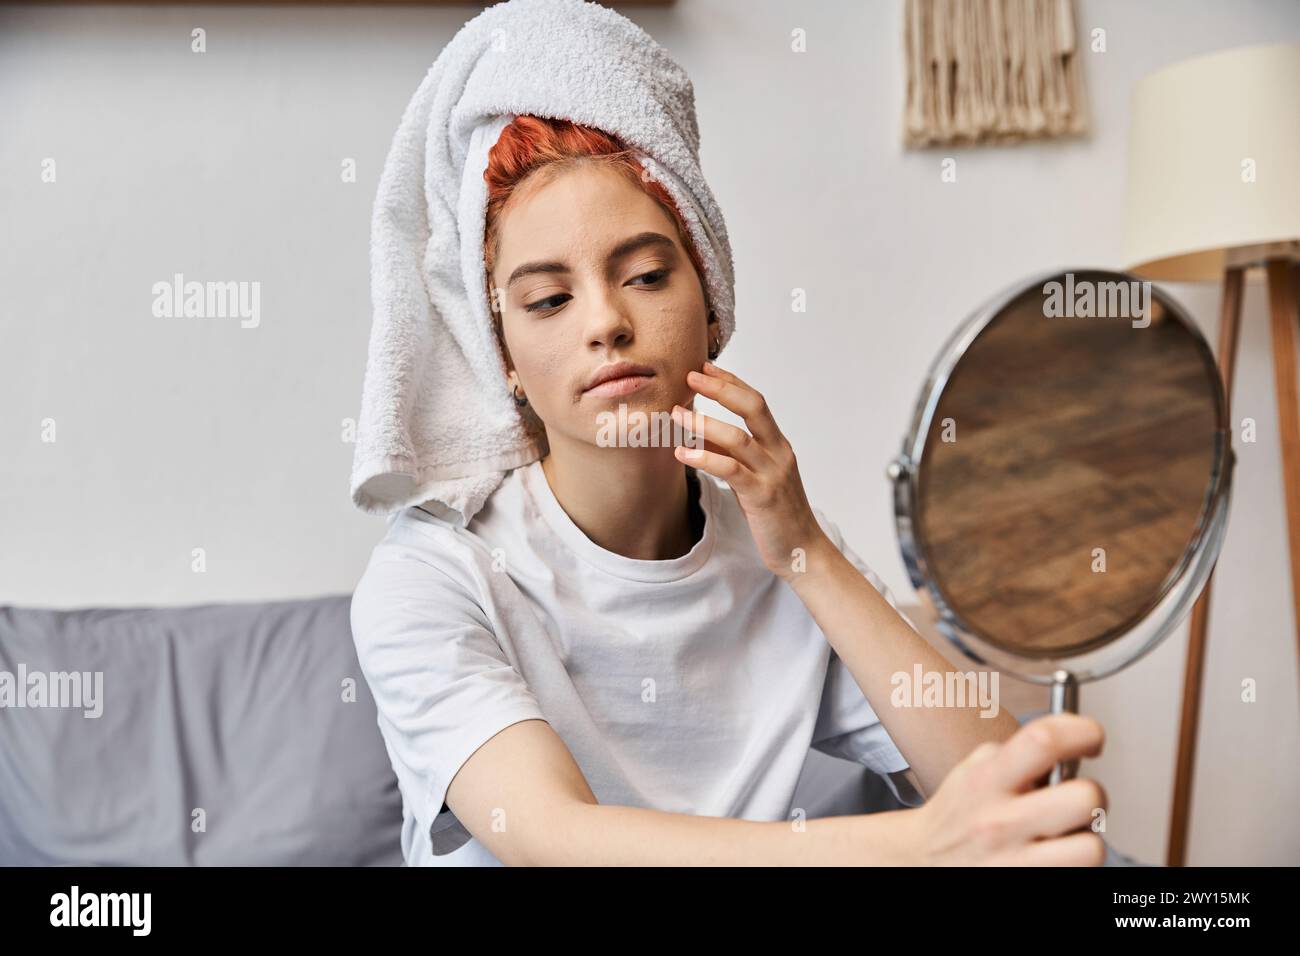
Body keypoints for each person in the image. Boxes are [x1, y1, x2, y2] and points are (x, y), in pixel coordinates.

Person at [349, 113, 1109, 866]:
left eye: (646, 277)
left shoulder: (782, 546)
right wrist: (918, 845)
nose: (608, 322)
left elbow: (1017, 797)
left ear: (710, 302)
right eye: (549, 299)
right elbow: (553, 836)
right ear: (502, 356)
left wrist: (809, 549)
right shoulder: (431, 574)